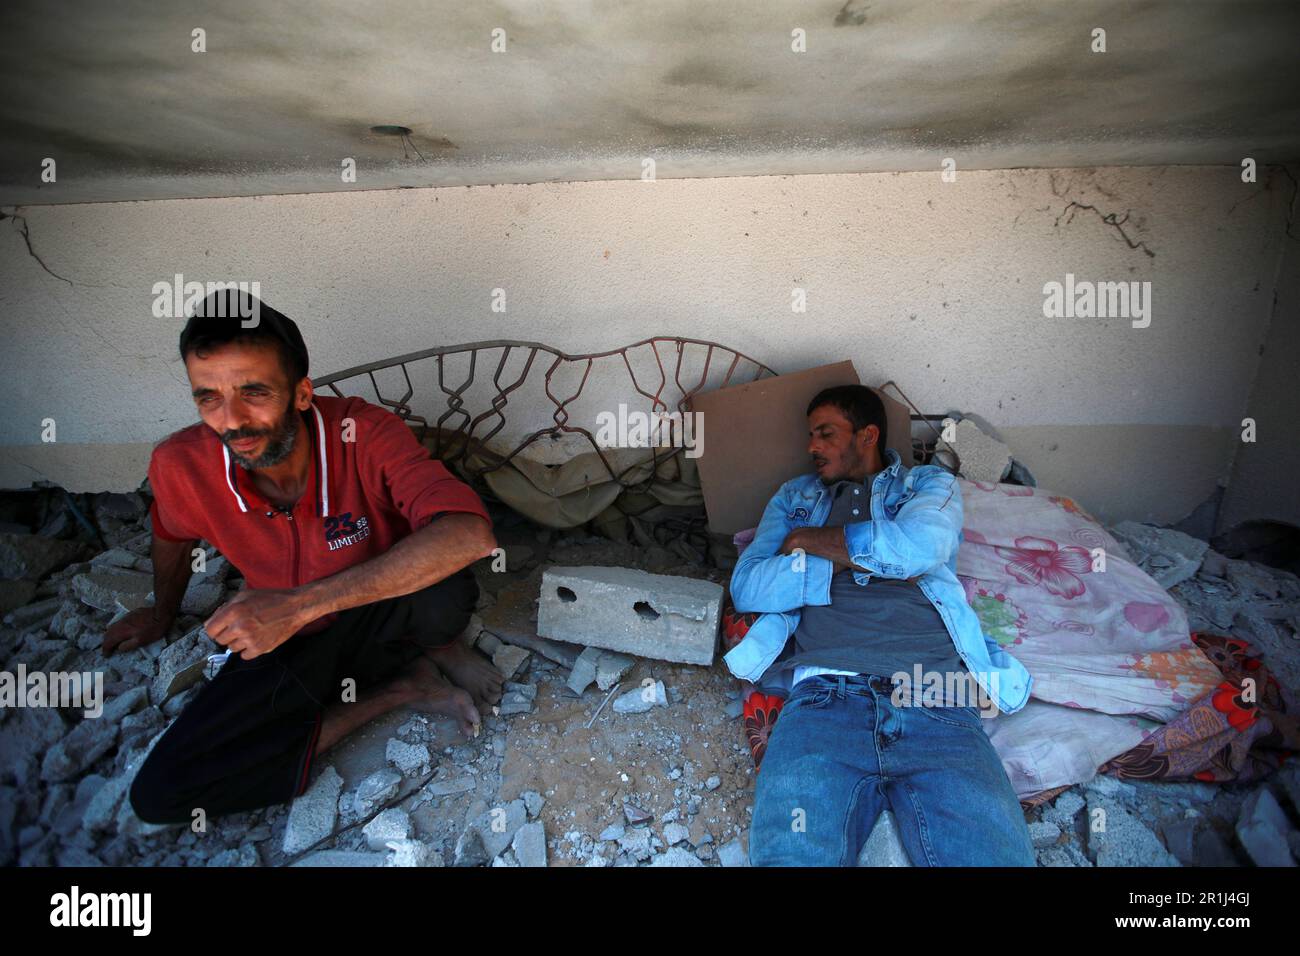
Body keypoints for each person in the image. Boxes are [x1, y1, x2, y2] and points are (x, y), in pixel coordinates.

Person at [109, 289, 502, 823]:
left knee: (445, 588)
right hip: (286, 641)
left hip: (376, 608)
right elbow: (171, 536)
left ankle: (439, 646)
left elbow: (469, 534)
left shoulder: (361, 431)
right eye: (208, 398)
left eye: (254, 392)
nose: (232, 421)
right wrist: (161, 613)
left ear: (300, 393)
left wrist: (299, 604)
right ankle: (401, 689)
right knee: (161, 794)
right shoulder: (181, 464)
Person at [727, 385, 1035, 865]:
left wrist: (809, 542)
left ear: (867, 434)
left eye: (826, 434)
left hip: (938, 696)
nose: (812, 447)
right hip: (824, 696)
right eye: (811, 435)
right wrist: (859, 558)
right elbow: (748, 585)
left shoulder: (927, 486)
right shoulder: (795, 499)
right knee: (791, 854)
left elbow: (919, 549)